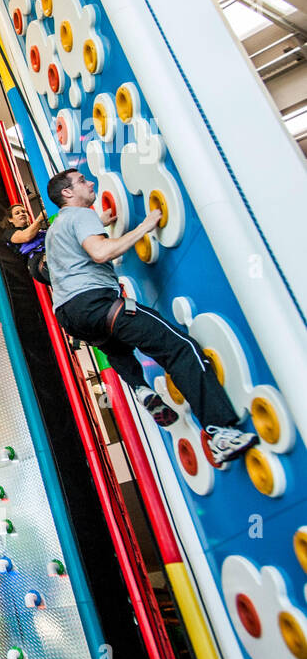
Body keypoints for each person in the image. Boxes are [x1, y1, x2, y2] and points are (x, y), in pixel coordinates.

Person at [44, 168, 258, 467]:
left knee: (115, 342)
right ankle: (220, 431)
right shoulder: (80, 215)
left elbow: (80, 246)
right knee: (181, 348)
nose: (90, 183)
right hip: (96, 301)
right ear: (67, 193)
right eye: (82, 181)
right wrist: (145, 225)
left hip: (71, 316)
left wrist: (104, 221)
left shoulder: (57, 229)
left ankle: (139, 386)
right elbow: (100, 252)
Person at [0, 203, 50, 284]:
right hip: (39, 262)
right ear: (10, 219)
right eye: (17, 213)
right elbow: (26, 236)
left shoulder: (40, 230)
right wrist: (40, 219)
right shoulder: (9, 233)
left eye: (24, 212)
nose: (22, 214)